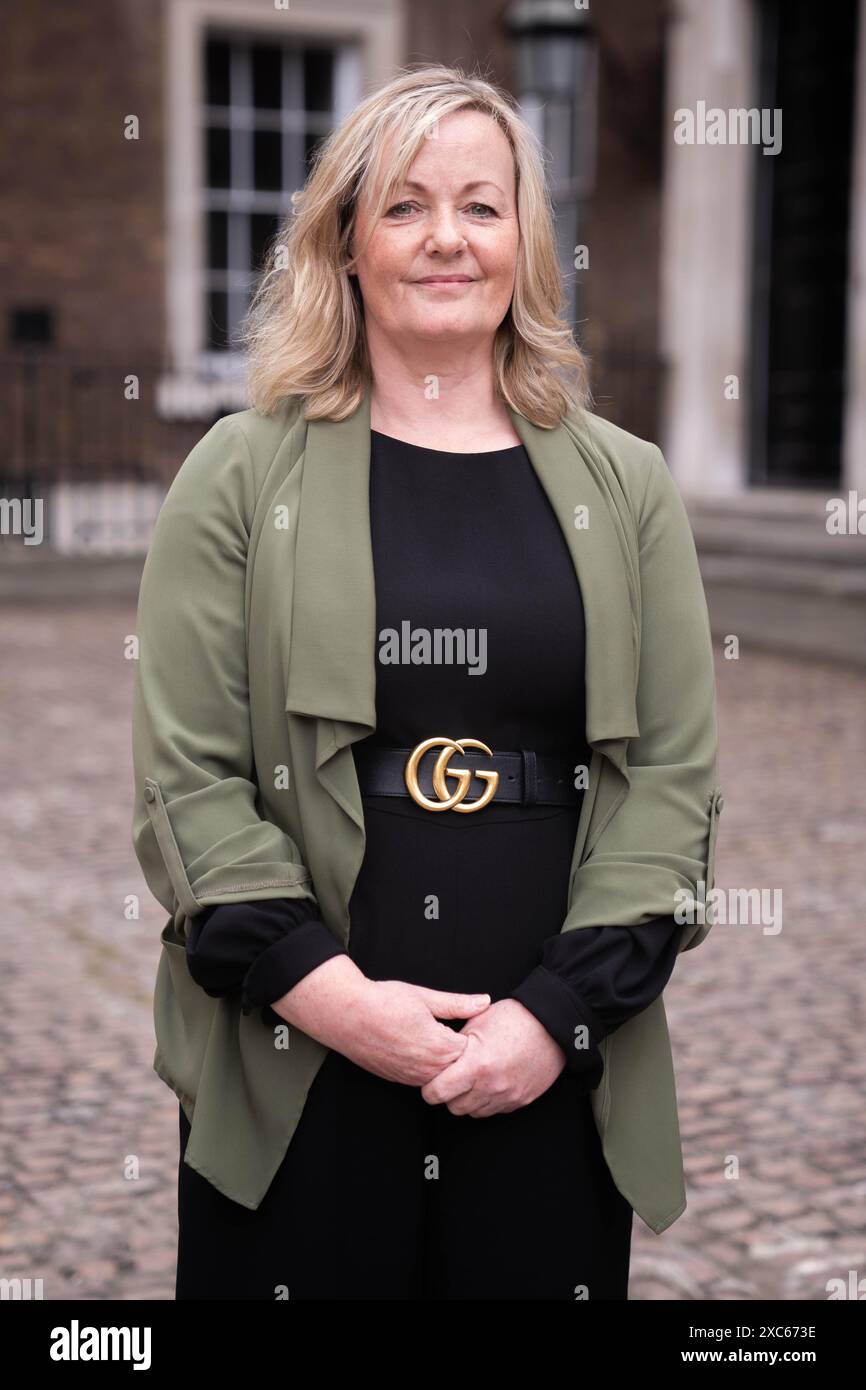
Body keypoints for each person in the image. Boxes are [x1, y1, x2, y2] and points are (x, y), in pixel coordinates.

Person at [131, 64, 723, 1301]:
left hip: (548, 1062)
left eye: (480, 206)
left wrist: (551, 1016)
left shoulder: (627, 485)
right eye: (402, 207)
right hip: (299, 1052)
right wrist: (339, 1004)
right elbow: (187, 785)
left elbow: (670, 778)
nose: (445, 238)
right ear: (344, 242)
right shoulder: (238, 474)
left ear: (523, 241)